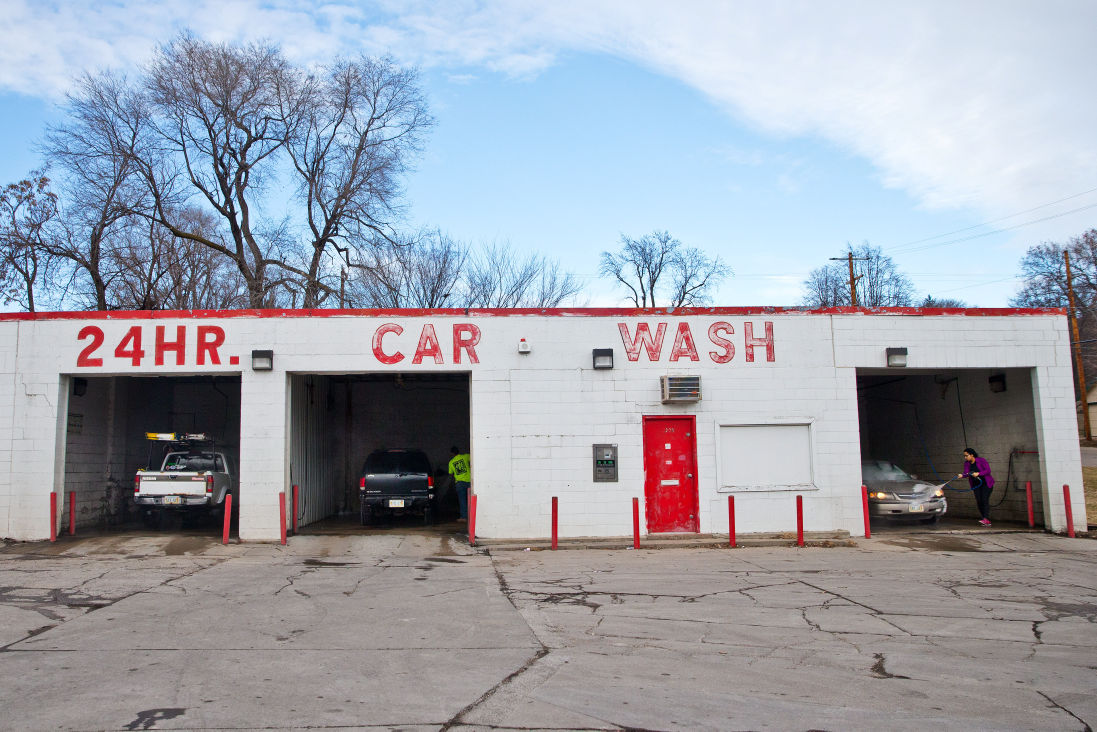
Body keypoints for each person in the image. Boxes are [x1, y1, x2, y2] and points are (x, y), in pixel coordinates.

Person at [957, 447, 995, 526]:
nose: (965, 457)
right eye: (964, 456)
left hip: (986, 484)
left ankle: (986, 519)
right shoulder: (966, 463)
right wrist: (962, 475)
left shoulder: (981, 460)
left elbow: (988, 470)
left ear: (972, 455)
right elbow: (966, 473)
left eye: (966, 455)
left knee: (984, 499)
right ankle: (984, 518)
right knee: (979, 501)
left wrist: (978, 473)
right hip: (976, 485)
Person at [448, 446, 471, 523]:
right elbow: (473, 457)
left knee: (462, 500)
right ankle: (474, 515)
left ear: (452, 453)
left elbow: (450, 473)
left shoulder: (451, 462)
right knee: (471, 499)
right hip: (469, 481)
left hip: (459, 483)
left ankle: (464, 517)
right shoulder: (465, 456)